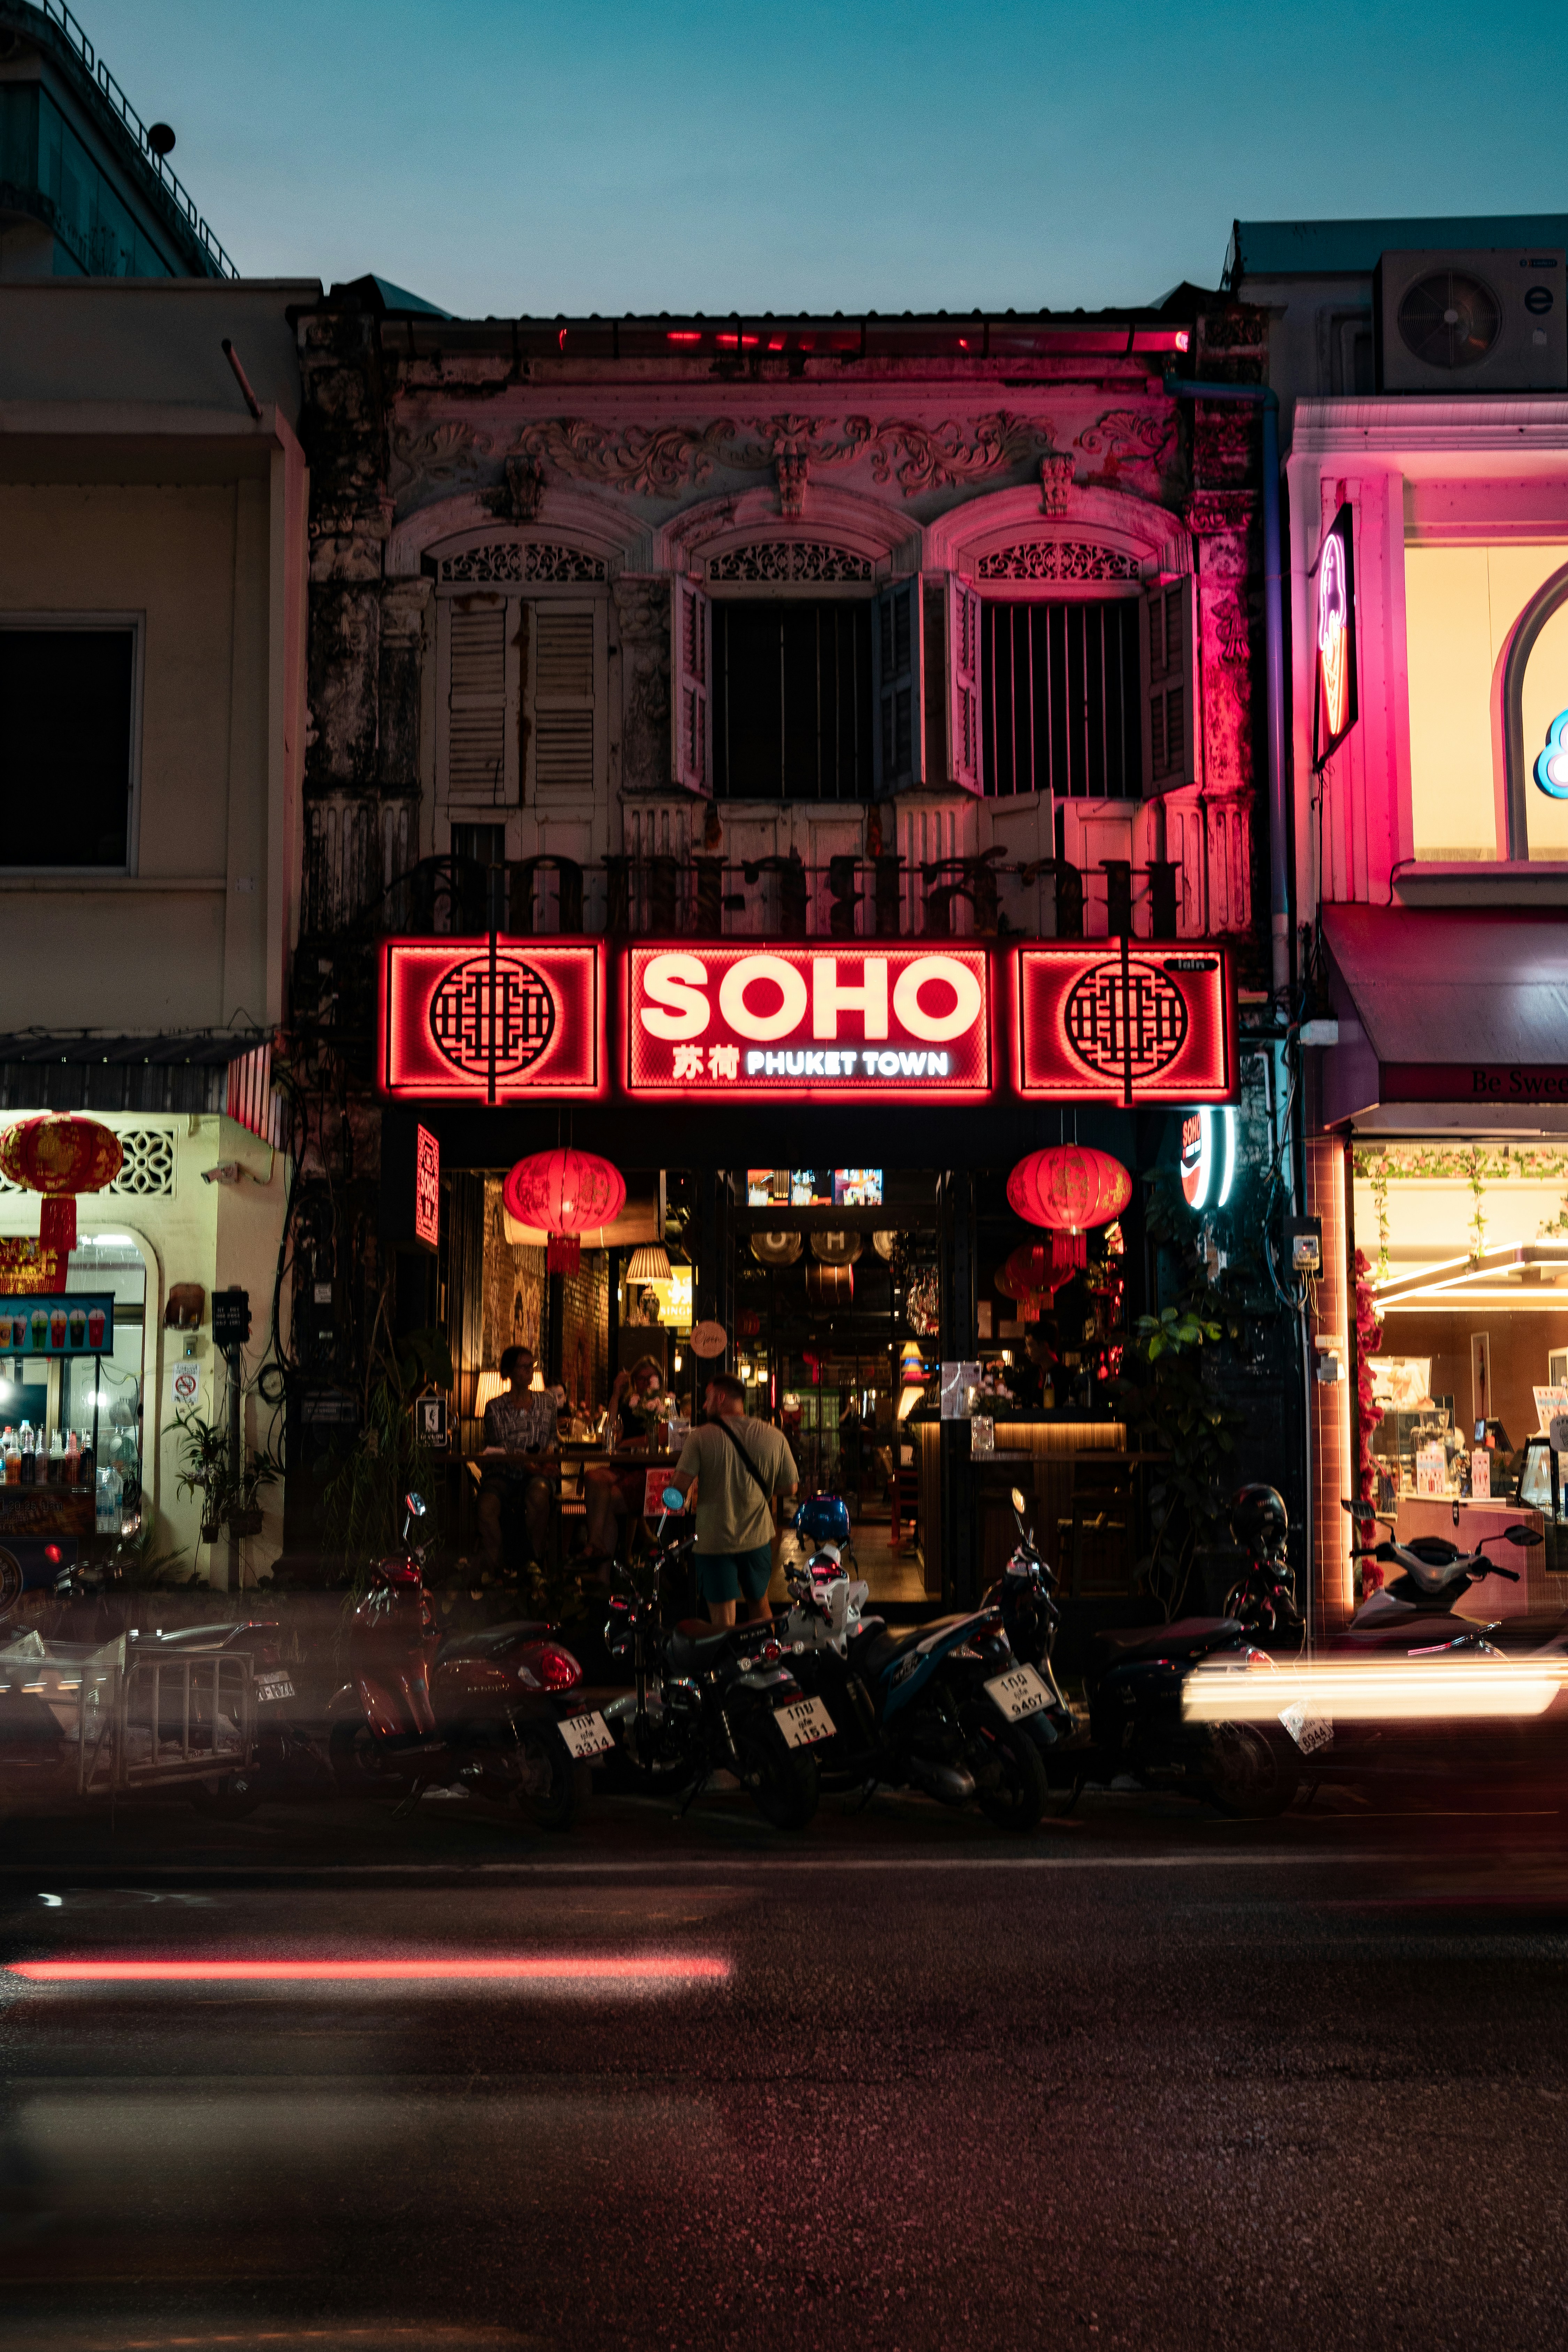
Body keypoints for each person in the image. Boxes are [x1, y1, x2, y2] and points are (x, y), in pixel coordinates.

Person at [668, 1370, 798, 1627]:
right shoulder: (774, 1435)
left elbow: (678, 1489)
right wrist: (756, 1492)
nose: (704, 1405)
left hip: (715, 1542)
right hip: (758, 1538)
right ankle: (766, 1660)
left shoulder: (701, 1437)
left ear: (721, 1397)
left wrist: (667, 1496)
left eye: (707, 1398)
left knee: (723, 1621)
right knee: (760, 1606)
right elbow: (791, 1487)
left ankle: (730, 1666)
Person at [477, 1343, 558, 1576]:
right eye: (523, 1367)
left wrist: (549, 1459)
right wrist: (531, 1466)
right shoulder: (495, 1407)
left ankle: (533, 1561)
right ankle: (497, 1565)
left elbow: (552, 1437)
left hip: (539, 1472)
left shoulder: (547, 1402)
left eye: (531, 1366)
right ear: (510, 1371)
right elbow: (503, 1446)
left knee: (540, 1494)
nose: (529, 1372)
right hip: (504, 1472)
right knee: (486, 1507)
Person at [583, 1355, 665, 1563]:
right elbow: (611, 1433)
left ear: (659, 1380)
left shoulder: (664, 1405)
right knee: (592, 1477)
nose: (645, 1383)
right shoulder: (630, 1404)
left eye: (651, 1378)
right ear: (633, 1380)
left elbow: (659, 1437)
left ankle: (601, 1556)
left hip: (648, 1471)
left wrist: (625, 1444)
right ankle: (599, 1544)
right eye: (640, 1378)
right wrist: (616, 1394)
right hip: (623, 1465)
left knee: (605, 1500)